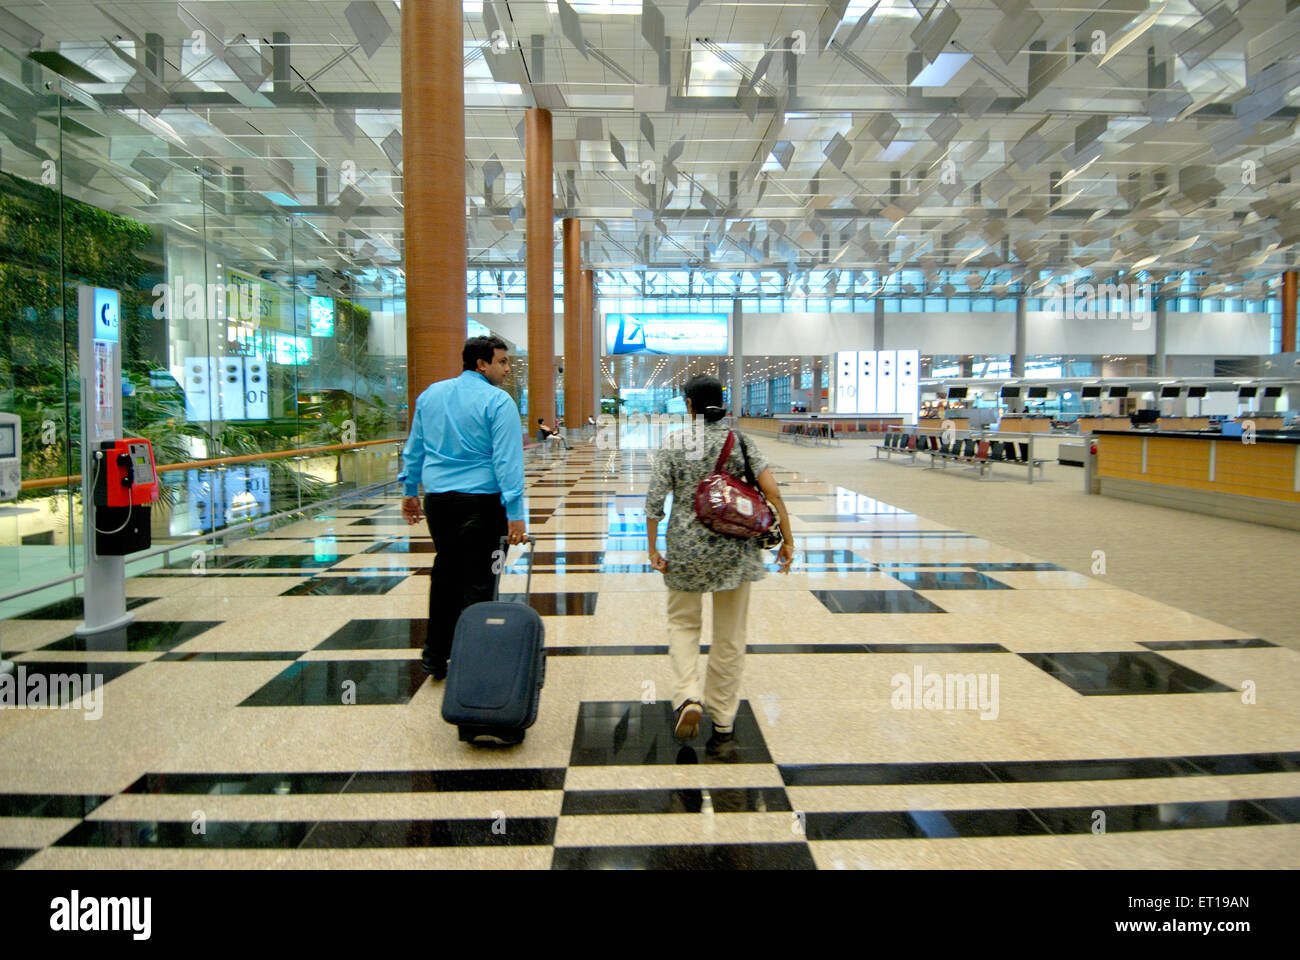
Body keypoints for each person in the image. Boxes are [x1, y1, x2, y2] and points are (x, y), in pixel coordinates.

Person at [644, 374, 794, 756]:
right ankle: (724, 720)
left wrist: (652, 550)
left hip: (686, 552)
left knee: (682, 623)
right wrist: (788, 540)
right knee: (730, 636)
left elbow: (654, 501)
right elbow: (772, 491)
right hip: (735, 552)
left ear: (689, 405)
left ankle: (688, 697)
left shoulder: (674, 442)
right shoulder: (741, 440)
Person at [400, 335, 527, 680]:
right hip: (483, 504)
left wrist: (410, 490)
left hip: (439, 503)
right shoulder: (499, 403)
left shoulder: (431, 396)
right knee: (480, 583)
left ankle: (435, 657)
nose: (507, 368)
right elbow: (507, 463)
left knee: (446, 575)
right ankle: (475, 663)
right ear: (481, 364)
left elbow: (415, 448)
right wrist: (516, 514)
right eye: (501, 362)